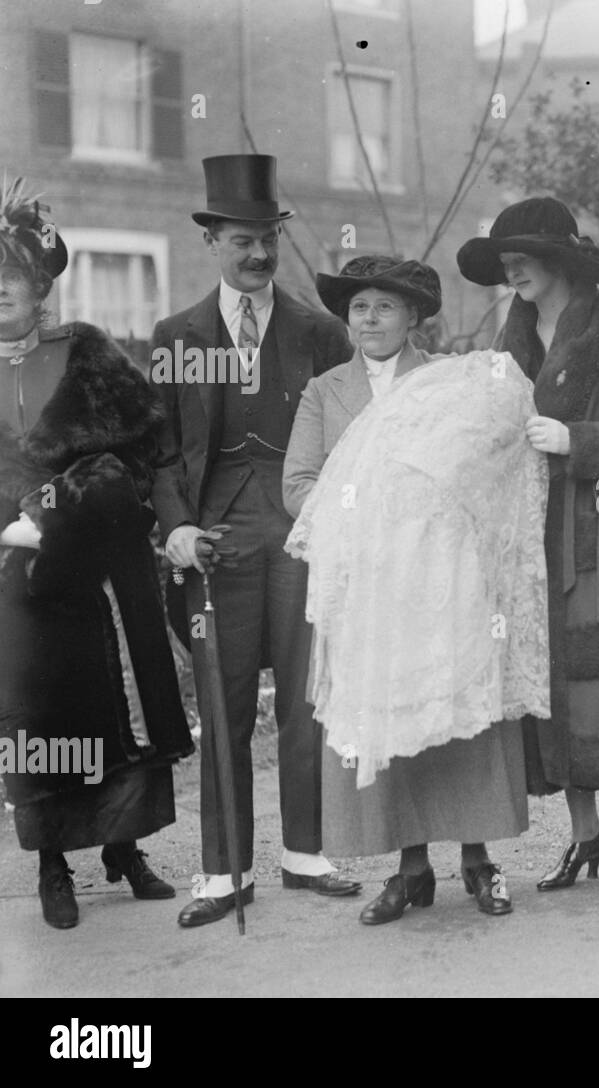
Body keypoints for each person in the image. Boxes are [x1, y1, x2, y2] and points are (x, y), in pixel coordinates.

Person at [283, 254, 546, 922]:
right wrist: (357, 517)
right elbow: (298, 484)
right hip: (369, 582)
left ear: (412, 317)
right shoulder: (325, 392)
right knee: (392, 716)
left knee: (459, 711)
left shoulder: (448, 382)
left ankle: (480, 860)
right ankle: (411, 867)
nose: (369, 319)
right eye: (359, 308)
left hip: (442, 574)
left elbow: (489, 464)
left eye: (384, 307)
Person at [457, 196, 599, 906]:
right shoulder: (511, 332)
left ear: (559, 259)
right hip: (533, 537)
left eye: (523, 257)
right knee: (549, 694)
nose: (511, 270)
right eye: (505, 261)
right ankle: (587, 836)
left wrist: (580, 441)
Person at [149, 155, 359, 928]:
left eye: (268, 238)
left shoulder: (320, 331)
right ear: (213, 241)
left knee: (307, 697)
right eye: (242, 240)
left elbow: (354, 435)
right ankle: (222, 870)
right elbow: (163, 451)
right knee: (224, 703)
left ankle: (306, 852)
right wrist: (174, 528)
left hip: (302, 529)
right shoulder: (177, 335)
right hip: (217, 536)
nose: (258, 254)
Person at [0, 177, 193, 929]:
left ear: (39, 285)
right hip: (21, 574)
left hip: (105, 561)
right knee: (43, 715)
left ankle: (125, 848)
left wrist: (86, 500)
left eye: (12, 280)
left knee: (122, 701)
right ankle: (53, 864)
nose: (0, 294)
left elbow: (148, 445)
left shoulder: (85, 350)